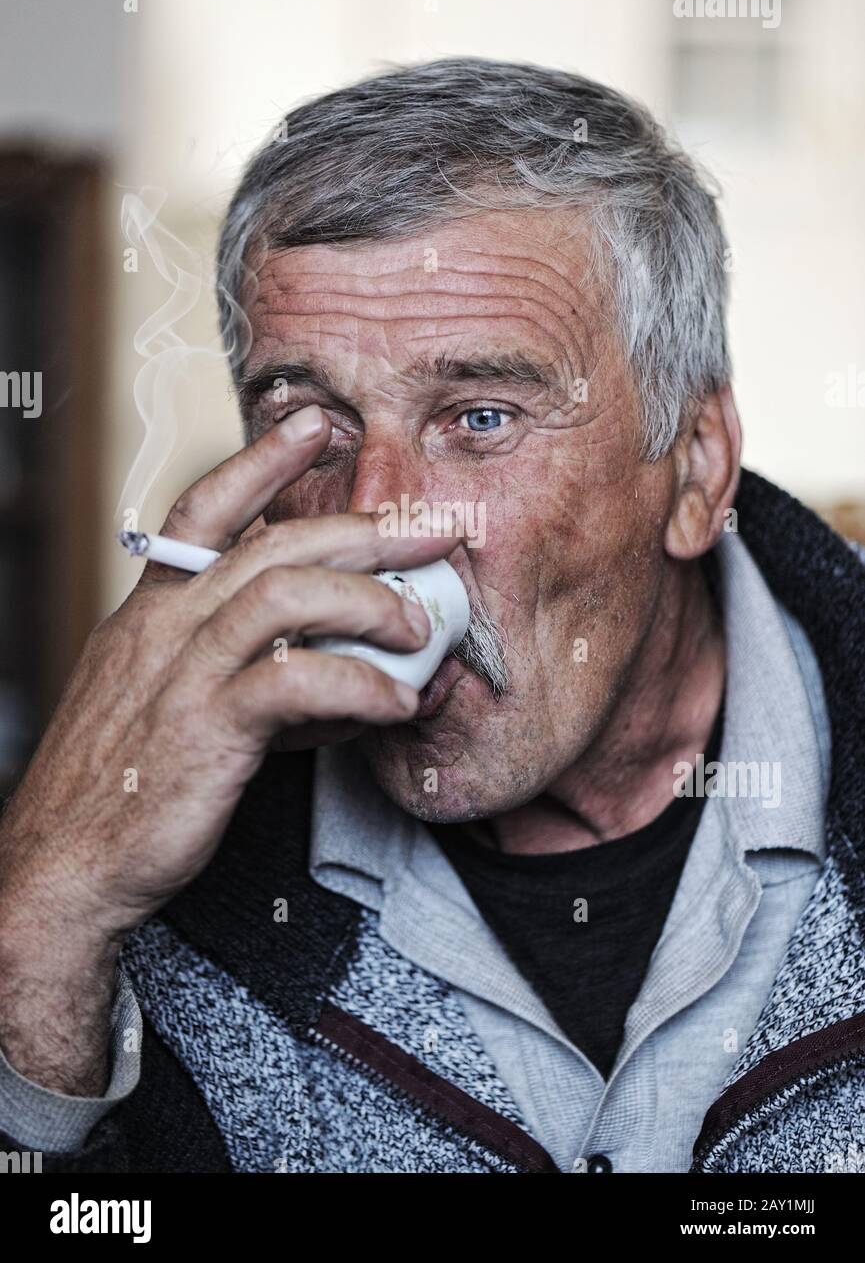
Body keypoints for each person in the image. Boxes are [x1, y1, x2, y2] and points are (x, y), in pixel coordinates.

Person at [1, 59, 862, 1174]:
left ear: (694, 471)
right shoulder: (162, 871)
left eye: (482, 416)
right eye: (313, 423)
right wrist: (45, 902)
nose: (376, 520)